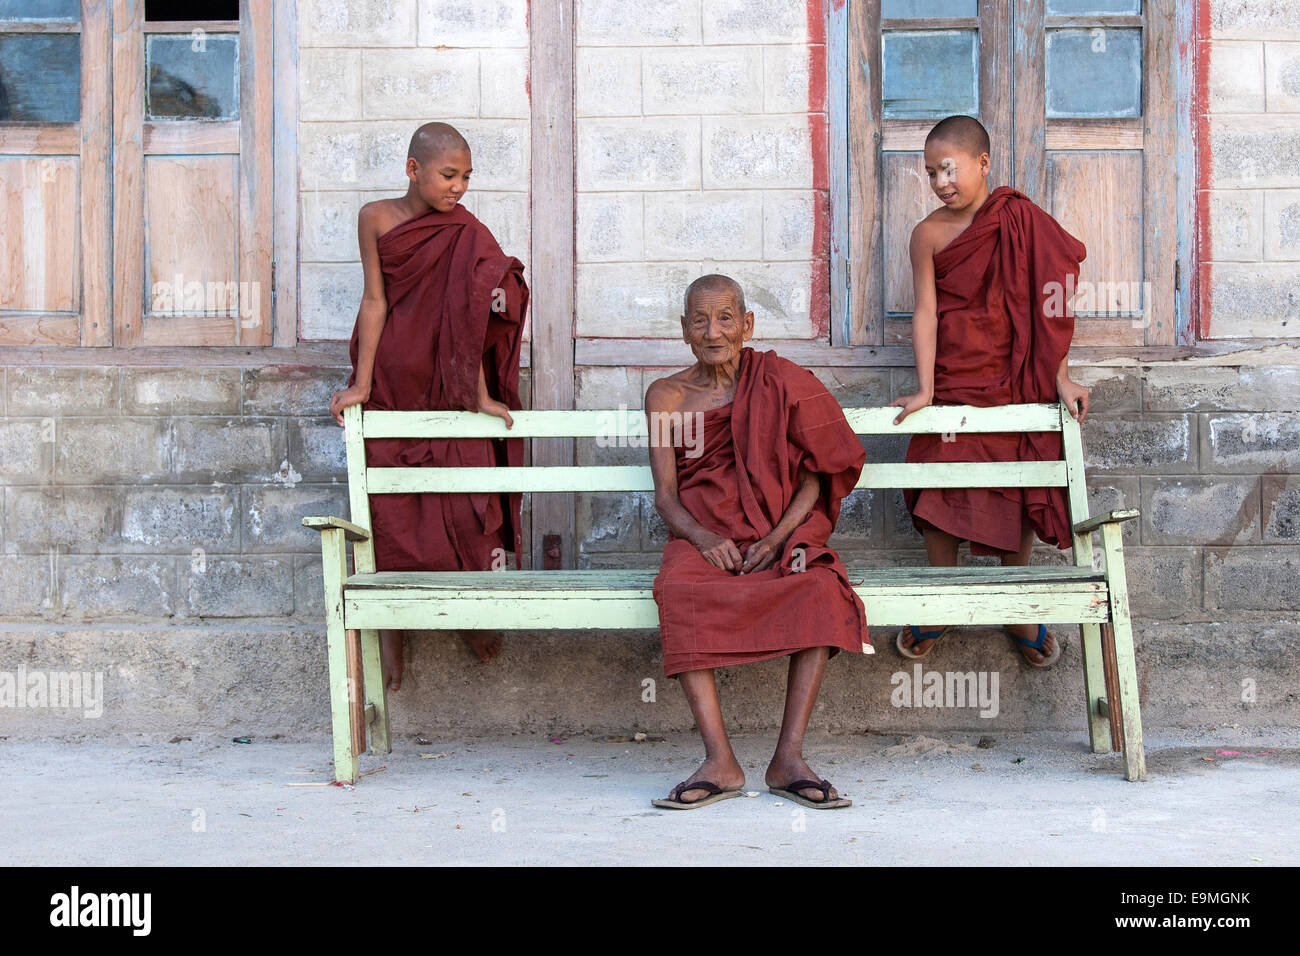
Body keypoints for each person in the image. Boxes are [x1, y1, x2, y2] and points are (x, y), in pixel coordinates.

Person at [646, 274, 870, 811]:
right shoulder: (666, 396)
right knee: (678, 590)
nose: (713, 331)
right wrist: (701, 539)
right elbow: (666, 499)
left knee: (819, 587)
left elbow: (815, 475)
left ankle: (788, 758)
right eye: (699, 320)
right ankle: (719, 761)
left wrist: (778, 537)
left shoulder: (781, 381)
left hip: (775, 532)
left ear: (747, 324)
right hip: (703, 539)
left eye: (725, 317)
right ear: (683, 330)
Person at [328, 122, 528, 688]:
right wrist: (362, 383)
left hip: (453, 385)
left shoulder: (467, 230)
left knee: (469, 505)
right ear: (413, 169)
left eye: (466, 176)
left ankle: (473, 617)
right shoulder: (376, 217)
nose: (458, 187)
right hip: (395, 380)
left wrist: (478, 391)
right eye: (448, 174)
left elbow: (486, 307)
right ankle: (392, 638)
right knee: (393, 515)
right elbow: (375, 299)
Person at [889, 114, 1089, 668]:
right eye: (930, 173)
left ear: (984, 162)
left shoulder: (1020, 220)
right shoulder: (927, 234)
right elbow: (926, 311)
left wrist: (1060, 376)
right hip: (954, 380)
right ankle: (944, 598)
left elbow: (1050, 304)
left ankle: (1016, 602)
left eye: (949, 168)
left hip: (1013, 379)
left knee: (1016, 486)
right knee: (935, 482)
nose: (940, 182)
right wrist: (926, 389)